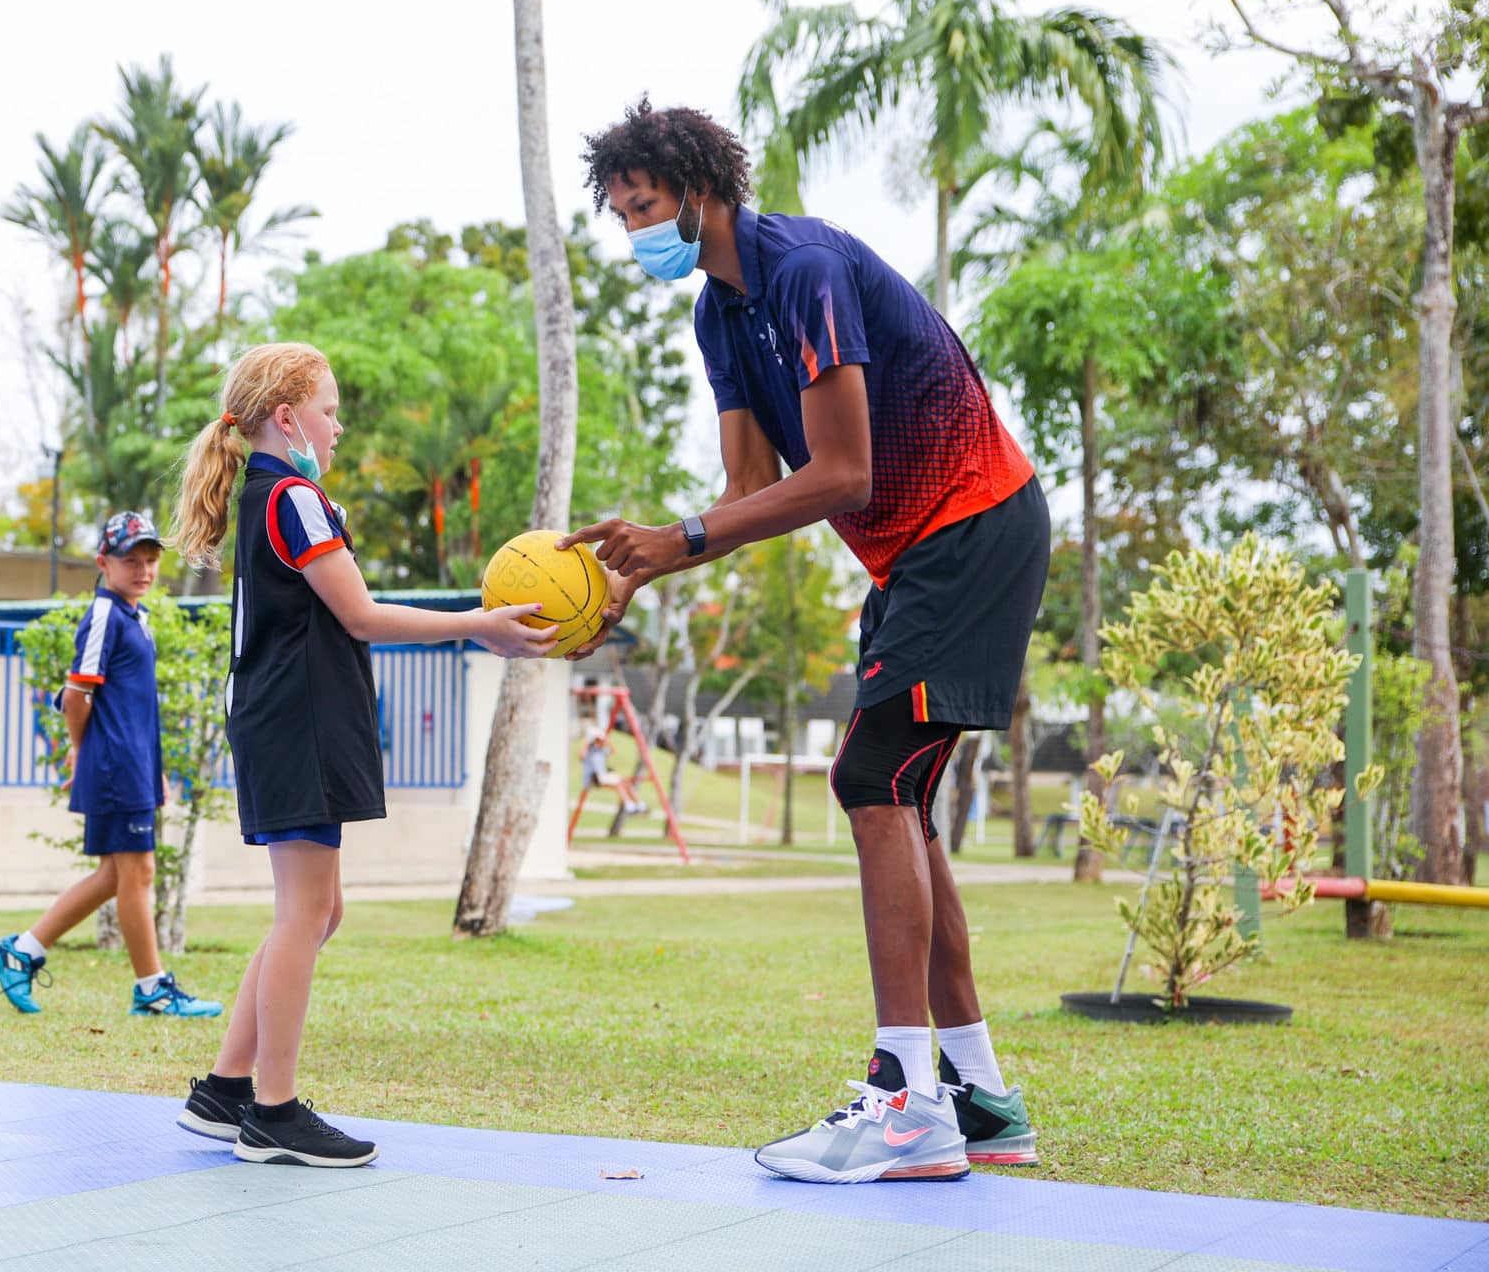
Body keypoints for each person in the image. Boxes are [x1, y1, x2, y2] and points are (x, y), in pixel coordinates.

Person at [567, 99, 1049, 1183]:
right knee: (901, 793)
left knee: (872, 772)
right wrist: (629, 569)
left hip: (973, 522)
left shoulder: (802, 269)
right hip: (916, 555)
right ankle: (977, 1098)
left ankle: (902, 1097)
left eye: (642, 207)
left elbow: (841, 476)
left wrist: (675, 536)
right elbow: (746, 491)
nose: (633, 231)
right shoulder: (719, 316)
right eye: (619, 215)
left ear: (698, 189)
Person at [168, 342, 552, 1168]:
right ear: (286, 417)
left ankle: (226, 1087)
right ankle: (272, 1112)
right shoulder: (294, 496)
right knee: (304, 914)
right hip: (294, 722)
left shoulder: (275, 496)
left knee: (316, 912)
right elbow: (363, 615)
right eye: (330, 409)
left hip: (292, 718)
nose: (338, 426)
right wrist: (478, 626)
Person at [0, 511, 221, 1020]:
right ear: (103, 564)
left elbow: (128, 701)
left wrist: (151, 765)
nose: (144, 570)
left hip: (132, 764)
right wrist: (78, 748)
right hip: (115, 764)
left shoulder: (135, 616)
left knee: (117, 874)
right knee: (136, 874)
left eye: (151, 560)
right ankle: (152, 988)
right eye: (130, 560)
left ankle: (21, 950)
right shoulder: (106, 615)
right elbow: (75, 693)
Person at [582, 728, 646, 815]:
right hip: (594, 778)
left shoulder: (601, 751)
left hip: (602, 776)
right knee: (619, 784)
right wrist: (587, 740)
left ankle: (639, 805)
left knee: (625, 782)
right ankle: (629, 806)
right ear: (595, 740)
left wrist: (606, 740)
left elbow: (613, 751)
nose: (603, 742)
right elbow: (581, 755)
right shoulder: (590, 751)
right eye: (600, 740)